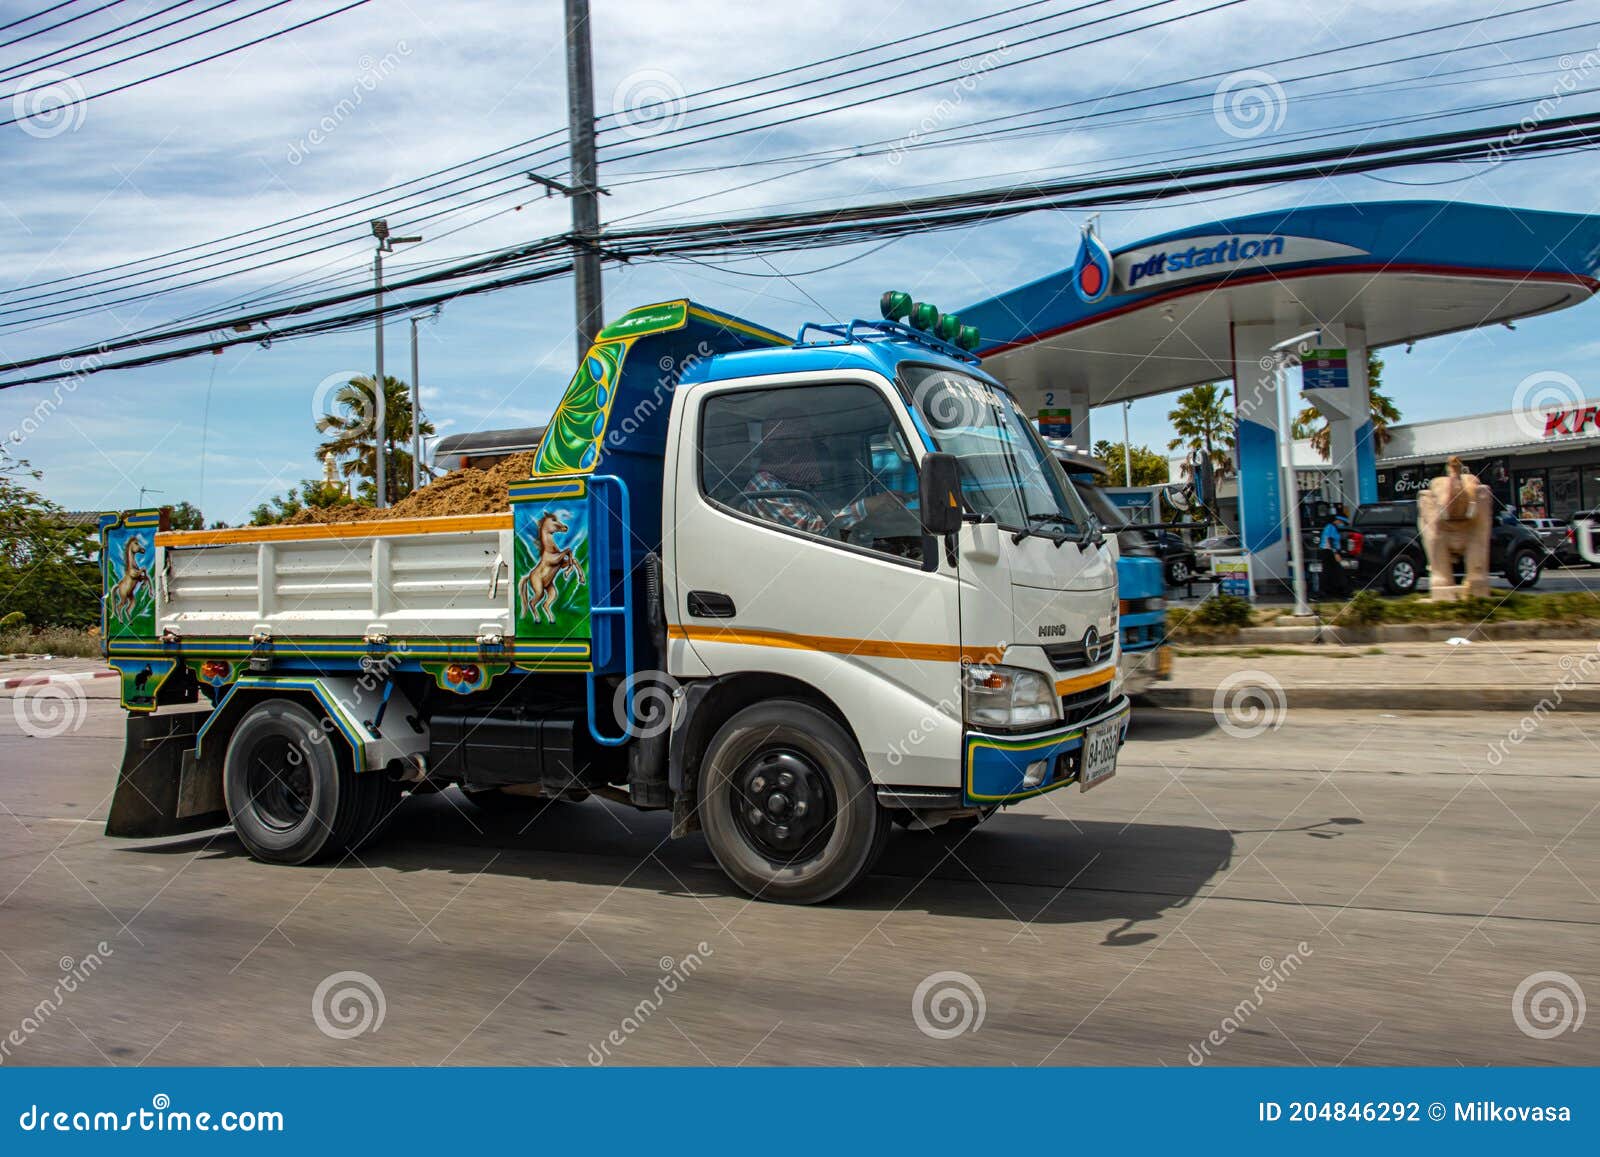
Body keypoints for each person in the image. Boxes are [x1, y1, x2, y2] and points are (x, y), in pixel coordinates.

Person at [742, 411, 913, 540]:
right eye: (796, 443)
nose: (807, 450)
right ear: (775, 447)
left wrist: (879, 511)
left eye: (808, 442)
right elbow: (810, 530)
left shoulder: (800, 486)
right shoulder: (764, 485)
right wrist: (866, 506)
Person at [1318, 508, 1350, 598]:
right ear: (1338, 520)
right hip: (1328, 552)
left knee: (1330, 571)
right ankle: (1342, 591)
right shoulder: (1330, 527)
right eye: (1342, 522)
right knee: (1336, 571)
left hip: (1330, 551)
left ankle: (1330, 591)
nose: (1342, 524)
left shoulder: (1333, 527)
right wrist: (1336, 553)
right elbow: (1330, 540)